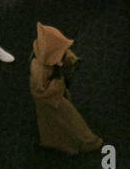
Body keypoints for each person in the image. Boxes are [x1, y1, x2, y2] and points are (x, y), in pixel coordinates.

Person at [29, 24, 102, 154]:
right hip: (52, 100)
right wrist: (58, 83)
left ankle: (56, 140)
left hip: (54, 97)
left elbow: (63, 52)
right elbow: (40, 93)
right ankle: (89, 141)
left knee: (53, 122)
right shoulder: (38, 70)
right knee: (70, 119)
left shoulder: (44, 52)